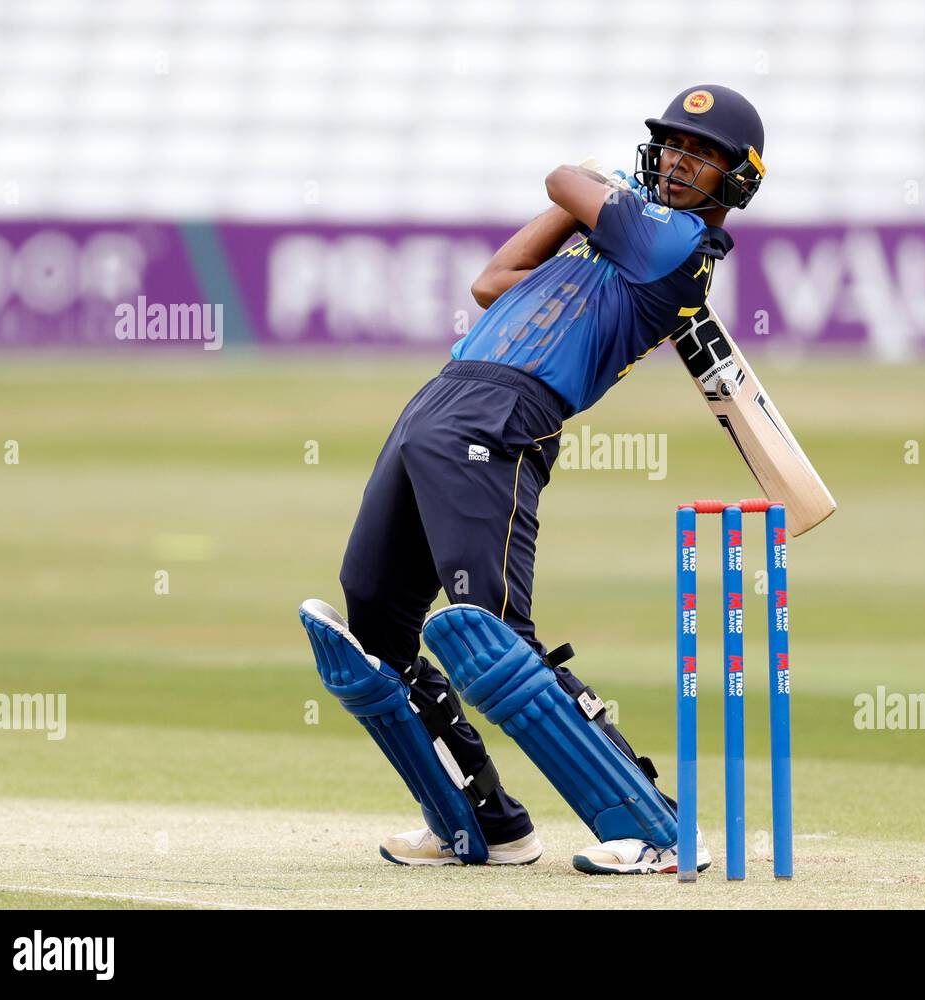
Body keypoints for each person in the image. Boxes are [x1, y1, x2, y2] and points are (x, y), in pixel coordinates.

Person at [306, 84, 766, 875]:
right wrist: (593, 206)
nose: (679, 161)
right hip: (440, 400)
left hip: (505, 416)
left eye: (701, 153)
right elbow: (493, 282)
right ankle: (483, 823)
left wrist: (593, 187)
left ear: (738, 179)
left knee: (491, 635)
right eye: (672, 146)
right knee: (375, 620)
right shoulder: (614, 241)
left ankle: (655, 827)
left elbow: (561, 178)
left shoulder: (680, 246)